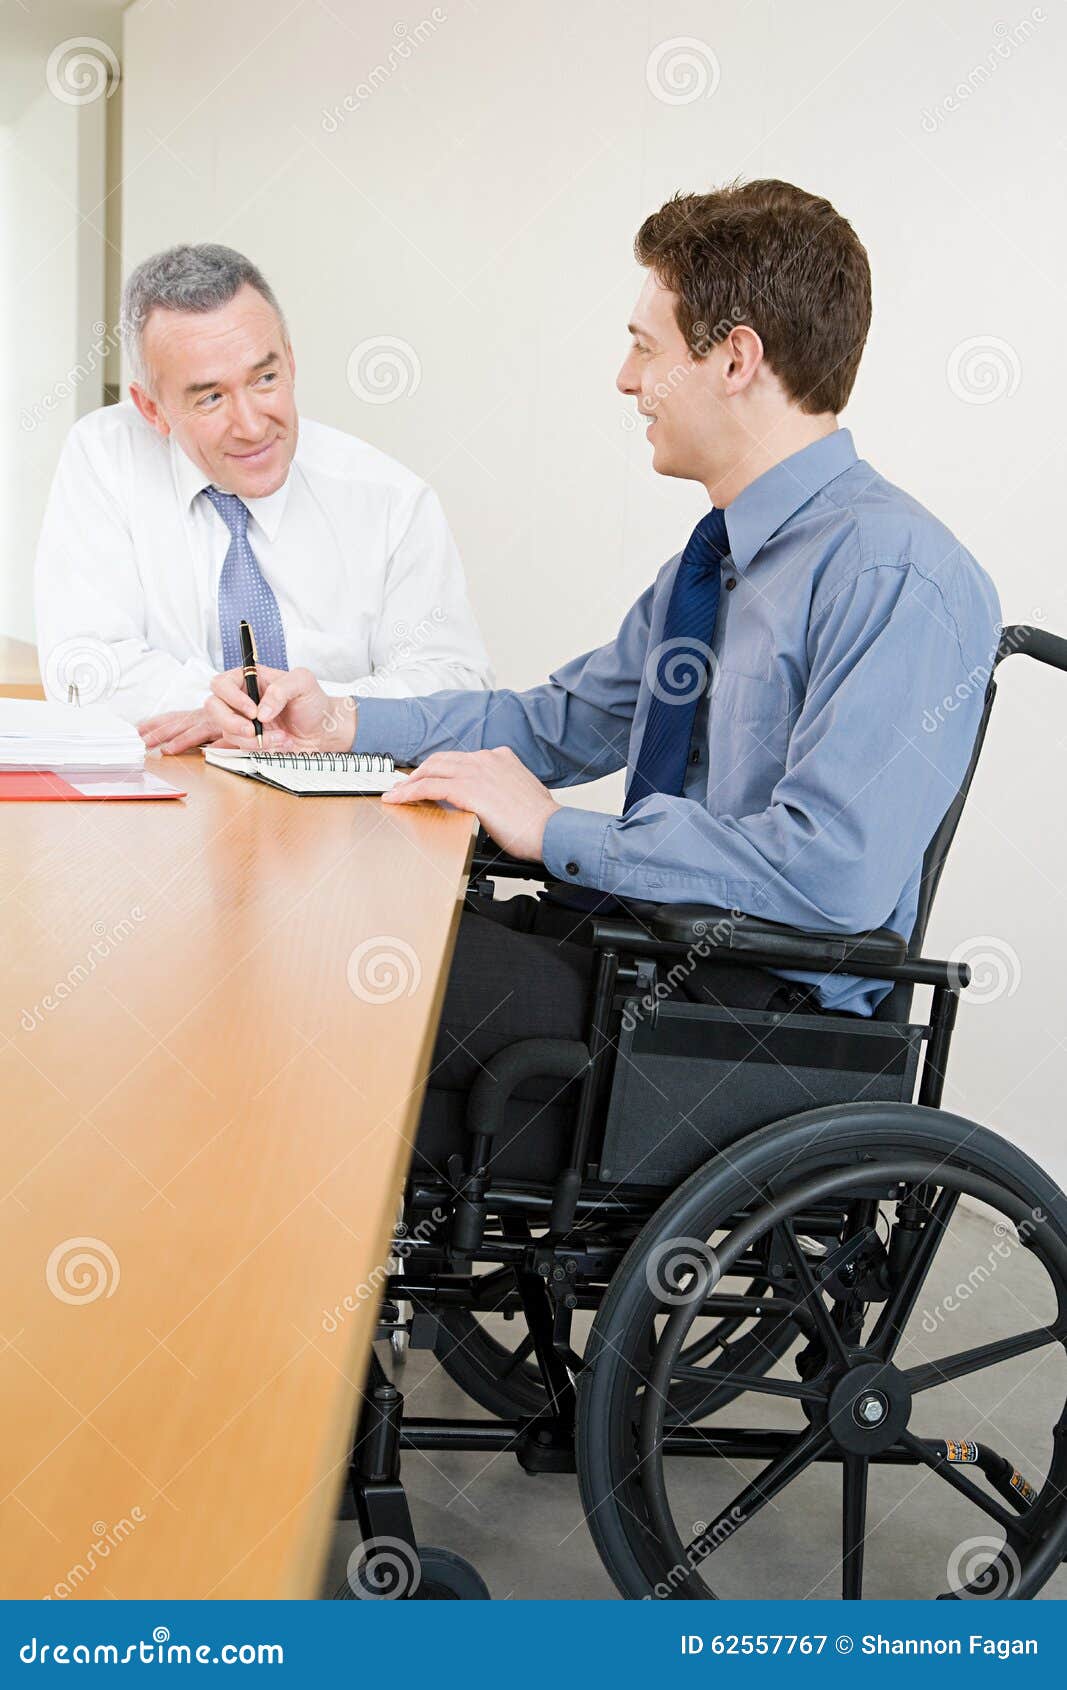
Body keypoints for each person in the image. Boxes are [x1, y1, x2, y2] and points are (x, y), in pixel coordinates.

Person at [203, 179, 1002, 1153]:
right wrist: (340, 725)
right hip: (644, 952)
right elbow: (556, 724)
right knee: (328, 913)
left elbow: (831, 876)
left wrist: (558, 834)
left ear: (735, 359)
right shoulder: (711, 565)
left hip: (745, 1016)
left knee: (342, 962)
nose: (625, 379)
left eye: (645, 345)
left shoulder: (896, 576)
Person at [34, 243, 491, 751]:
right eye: (210, 397)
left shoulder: (390, 500)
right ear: (152, 409)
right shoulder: (106, 456)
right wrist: (216, 704)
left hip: (361, 813)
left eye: (265, 378)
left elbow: (457, 686)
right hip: (176, 807)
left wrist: (316, 712)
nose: (252, 426)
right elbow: (83, 668)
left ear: (291, 363)